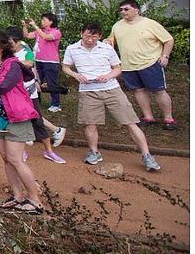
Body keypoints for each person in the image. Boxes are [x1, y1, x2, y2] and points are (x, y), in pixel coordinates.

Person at [63, 23, 162, 171]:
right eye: (87, 35)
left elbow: (118, 68)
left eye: (94, 36)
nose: (90, 39)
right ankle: (94, 152)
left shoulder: (107, 48)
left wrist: (108, 76)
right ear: (81, 33)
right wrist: (76, 75)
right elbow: (65, 67)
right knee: (90, 123)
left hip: (112, 89)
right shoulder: (72, 49)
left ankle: (147, 155)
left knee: (130, 122)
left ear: (100, 36)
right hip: (88, 91)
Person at [0, 30, 44, 213]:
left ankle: (35, 200)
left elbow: (2, 86)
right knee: (6, 159)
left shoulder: (12, 65)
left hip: (15, 117)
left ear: (2, 47)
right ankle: (18, 196)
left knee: (15, 159)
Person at [106, 0, 177, 130]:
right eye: (121, 10)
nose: (123, 12)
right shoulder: (117, 26)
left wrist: (165, 56)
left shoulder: (150, 24)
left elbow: (168, 40)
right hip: (128, 66)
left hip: (150, 63)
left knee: (159, 91)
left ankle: (169, 119)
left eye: (126, 9)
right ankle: (148, 117)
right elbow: (111, 40)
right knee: (138, 91)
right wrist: (107, 41)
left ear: (136, 10)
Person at [6, 27, 66, 164]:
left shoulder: (25, 50)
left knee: (37, 119)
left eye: (10, 42)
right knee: (16, 121)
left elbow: (30, 63)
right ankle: (22, 150)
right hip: (14, 93)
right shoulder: (6, 52)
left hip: (28, 91)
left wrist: (14, 63)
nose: (8, 45)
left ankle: (49, 151)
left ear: (16, 41)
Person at [23, 13, 63, 112]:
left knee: (51, 83)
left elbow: (46, 37)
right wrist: (25, 26)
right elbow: (26, 35)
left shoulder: (56, 32)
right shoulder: (40, 31)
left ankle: (56, 104)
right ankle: (37, 102)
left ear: (51, 21)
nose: (42, 22)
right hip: (38, 61)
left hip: (51, 62)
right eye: (42, 20)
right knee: (36, 82)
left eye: (44, 20)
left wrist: (35, 26)